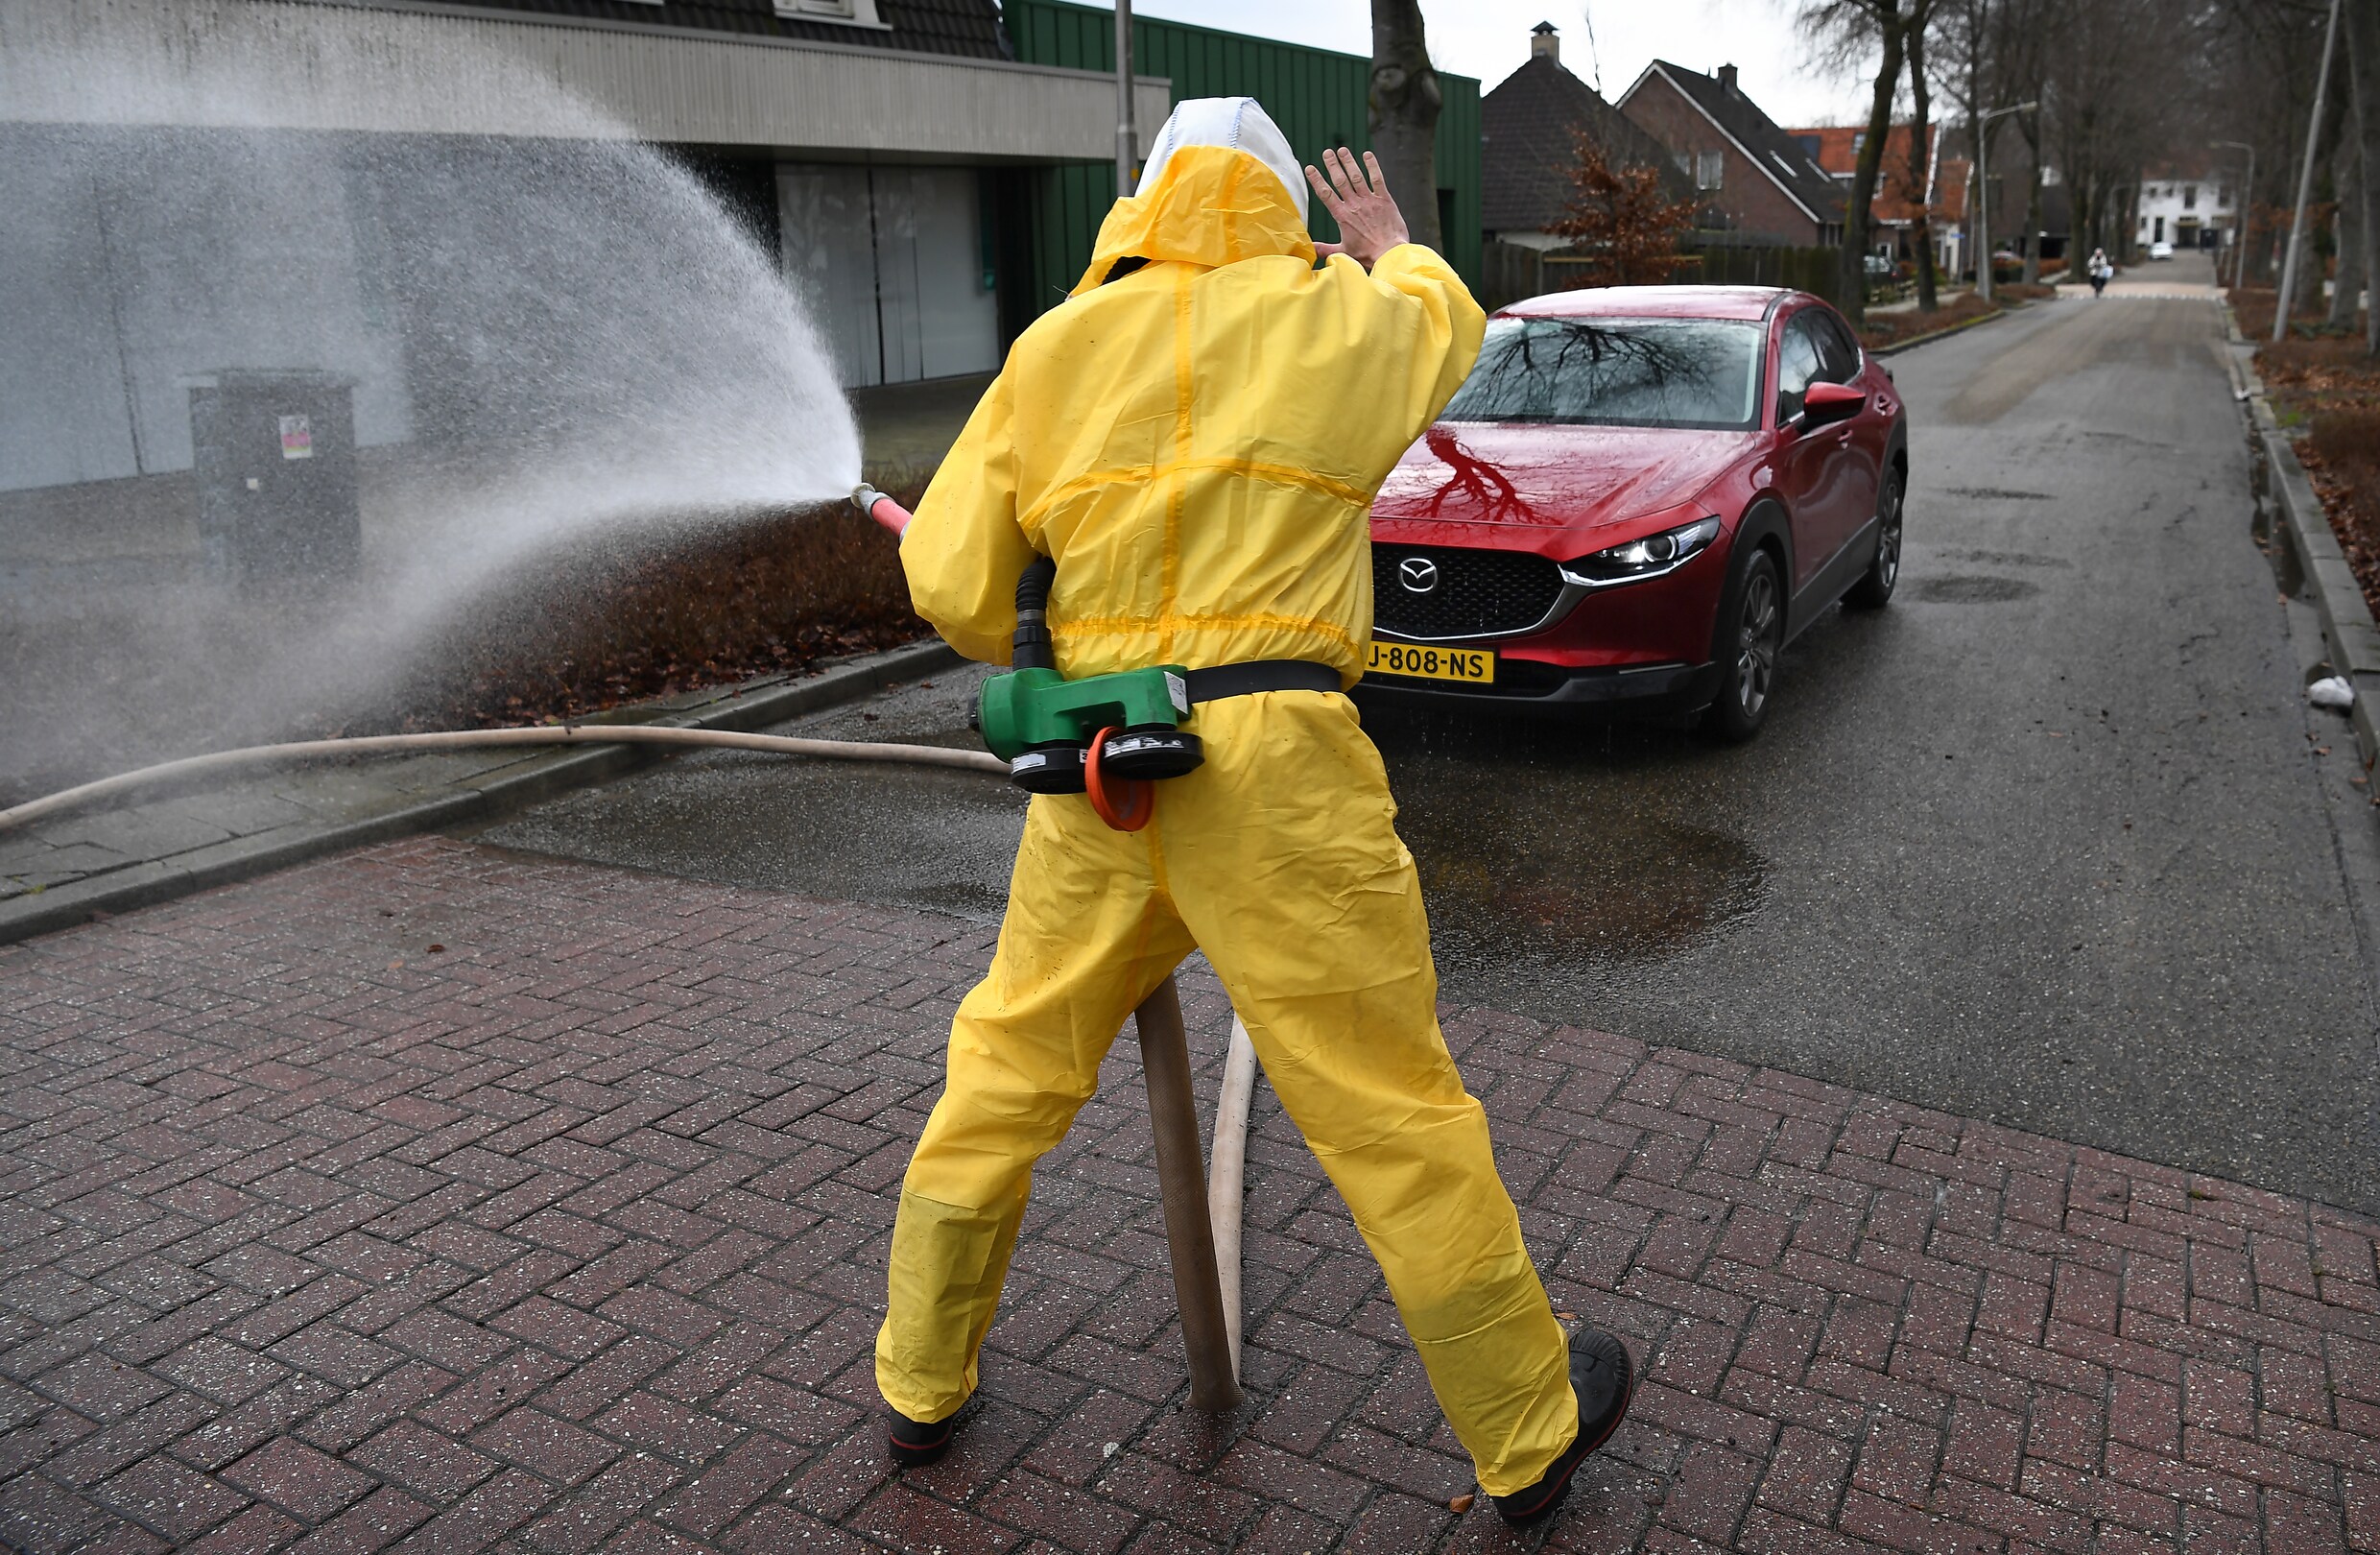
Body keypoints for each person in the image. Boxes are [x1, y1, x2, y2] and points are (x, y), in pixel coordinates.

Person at [876, 97, 1632, 1525]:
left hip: (1103, 764)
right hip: (1281, 768)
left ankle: (920, 1383)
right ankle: (1528, 1430)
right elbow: (1445, 327)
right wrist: (1393, 247)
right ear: (1279, 204)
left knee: (1003, 1080)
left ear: (1143, 203)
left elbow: (961, 592)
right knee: (1389, 1111)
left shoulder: (1052, 350)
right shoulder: (1338, 318)